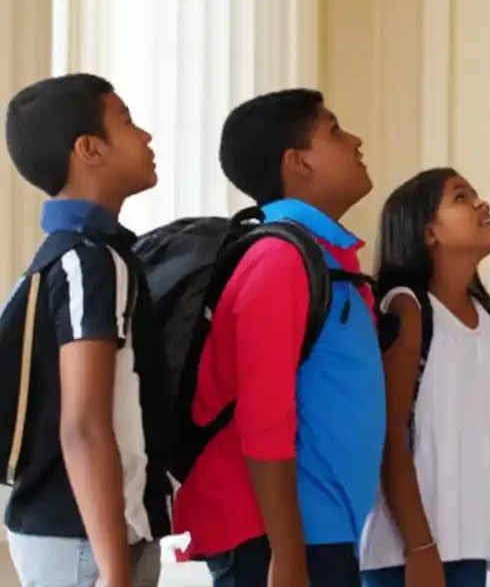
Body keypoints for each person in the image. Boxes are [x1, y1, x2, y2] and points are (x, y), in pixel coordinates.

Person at [171, 89, 386, 587]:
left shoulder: (326, 259)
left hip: (322, 533)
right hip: (274, 541)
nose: (355, 140)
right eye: (334, 130)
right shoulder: (280, 258)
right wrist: (288, 557)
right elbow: (262, 417)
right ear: (298, 161)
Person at [2, 74, 171, 587]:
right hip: (86, 539)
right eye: (127, 122)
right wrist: (115, 569)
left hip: (81, 534)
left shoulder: (74, 253)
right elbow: (83, 425)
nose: (146, 135)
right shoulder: (88, 260)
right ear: (89, 149)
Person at [359, 168, 490, 587]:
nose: (481, 203)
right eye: (460, 197)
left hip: (468, 548)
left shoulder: (489, 321)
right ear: (429, 233)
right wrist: (420, 547)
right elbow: (390, 434)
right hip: (404, 555)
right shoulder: (408, 309)